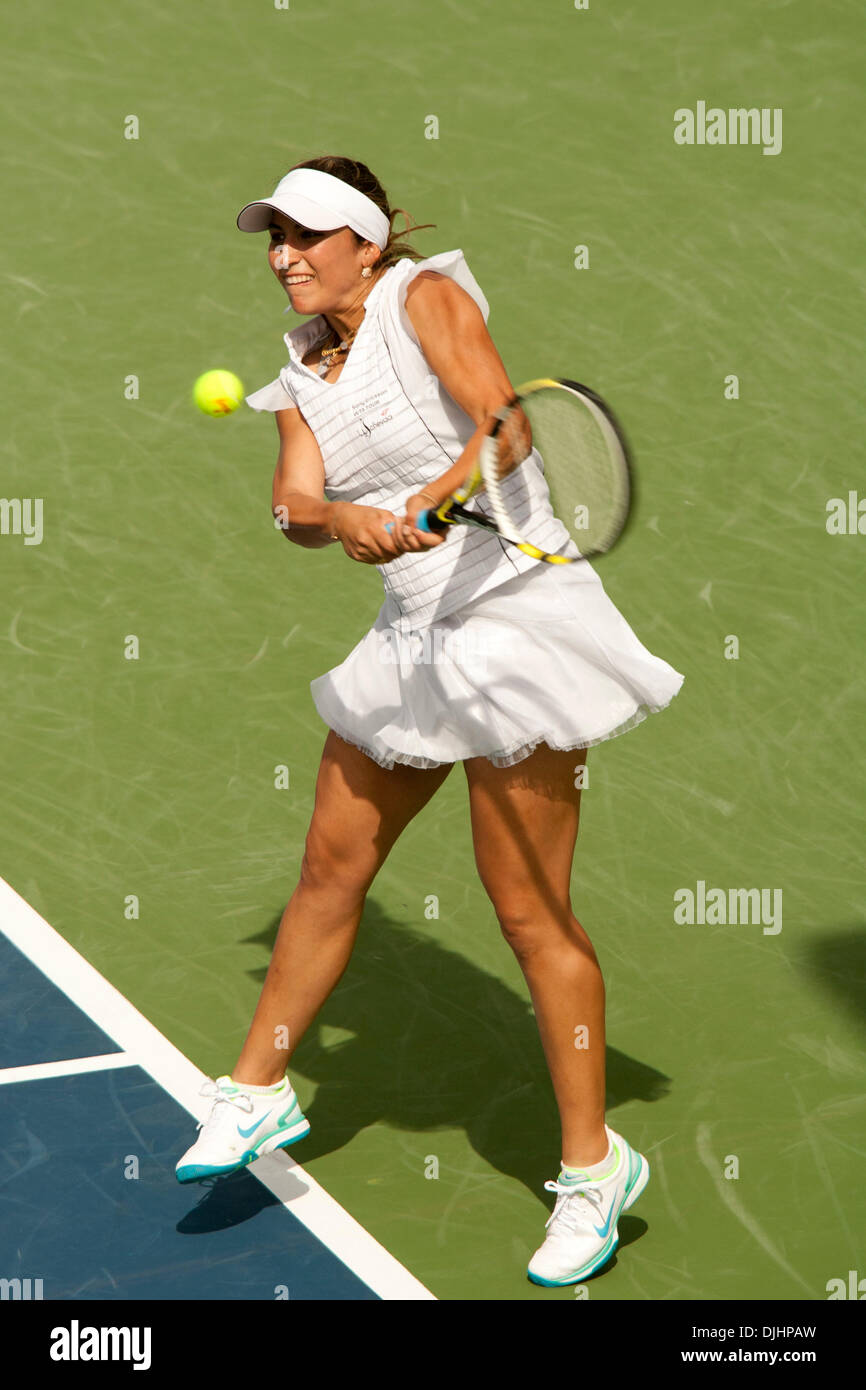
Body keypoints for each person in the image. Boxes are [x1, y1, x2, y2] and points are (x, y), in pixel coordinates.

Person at [175, 154, 684, 1287]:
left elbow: (505, 429)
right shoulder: (303, 364)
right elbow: (295, 505)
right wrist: (337, 519)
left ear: (365, 241)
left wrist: (425, 500)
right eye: (274, 237)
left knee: (526, 914)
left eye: (307, 236)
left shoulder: (425, 298)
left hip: (514, 625)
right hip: (412, 637)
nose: (284, 256)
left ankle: (594, 1171)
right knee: (327, 867)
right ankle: (255, 1090)